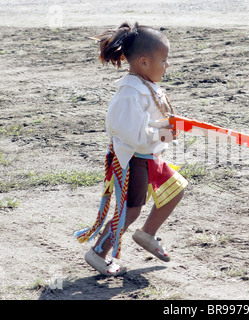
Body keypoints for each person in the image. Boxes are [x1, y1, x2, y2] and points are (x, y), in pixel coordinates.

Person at [74, 22, 188, 276]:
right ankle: (98, 253)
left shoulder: (146, 85)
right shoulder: (129, 92)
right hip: (134, 158)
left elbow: (151, 123)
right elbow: (135, 135)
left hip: (150, 155)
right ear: (144, 63)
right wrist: (164, 133)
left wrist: (170, 128)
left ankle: (148, 234)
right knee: (130, 210)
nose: (167, 65)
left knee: (175, 189)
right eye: (164, 60)